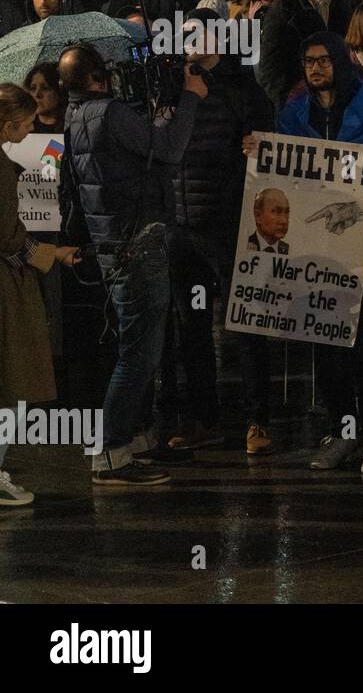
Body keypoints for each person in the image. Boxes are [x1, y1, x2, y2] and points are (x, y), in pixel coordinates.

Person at [58, 43, 208, 485]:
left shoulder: (76, 115)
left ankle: (135, 437)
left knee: (140, 343)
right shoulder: (108, 112)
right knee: (138, 353)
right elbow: (170, 150)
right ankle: (109, 452)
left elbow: (138, 155)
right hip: (136, 241)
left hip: (113, 242)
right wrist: (191, 98)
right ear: (97, 78)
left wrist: (157, 117)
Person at [276, 32, 363, 473]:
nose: (315, 69)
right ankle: (344, 433)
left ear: (340, 64)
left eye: (324, 61)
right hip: (317, 248)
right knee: (325, 343)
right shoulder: (293, 114)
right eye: (309, 62)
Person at [161, 11, 276, 453]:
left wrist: (258, 145)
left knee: (245, 322)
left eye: (201, 31)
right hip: (180, 227)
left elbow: (269, 149)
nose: (191, 39)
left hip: (228, 225)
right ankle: (203, 419)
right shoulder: (171, 88)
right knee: (190, 327)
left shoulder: (243, 89)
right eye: (185, 32)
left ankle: (257, 421)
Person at [1, 84, 80, 507]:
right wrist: (53, 254)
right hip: (6, 287)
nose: (32, 129)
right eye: (28, 123)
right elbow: (10, 237)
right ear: (10, 124)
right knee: (11, 384)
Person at [258, 0, 350, 109]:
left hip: (338, 103)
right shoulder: (282, 11)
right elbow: (270, 74)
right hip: (302, 112)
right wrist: (292, 110)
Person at [23, 63, 65, 132]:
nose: (37, 94)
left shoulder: (73, 127)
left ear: (60, 92)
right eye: (32, 88)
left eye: (45, 88)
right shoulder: (21, 127)